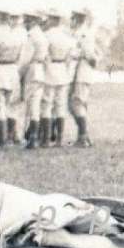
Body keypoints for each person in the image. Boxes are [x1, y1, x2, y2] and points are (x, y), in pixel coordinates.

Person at [42, 10, 77, 147]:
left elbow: (45, 57)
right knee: (60, 106)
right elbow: (70, 58)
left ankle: (45, 139)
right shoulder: (67, 37)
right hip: (62, 70)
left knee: (47, 105)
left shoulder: (47, 36)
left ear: (51, 20)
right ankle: (59, 139)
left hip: (50, 70)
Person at [0, 8, 23, 148]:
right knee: (12, 106)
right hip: (13, 69)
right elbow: (20, 55)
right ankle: (10, 135)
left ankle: (1, 140)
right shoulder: (16, 34)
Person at [69, 8, 100, 147]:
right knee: (77, 104)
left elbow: (90, 55)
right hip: (81, 71)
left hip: (82, 72)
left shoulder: (83, 34)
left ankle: (83, 136)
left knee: (77, 103)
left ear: (78, 19)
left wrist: (85, 58)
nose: (71, 21)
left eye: (73, 18)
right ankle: (84, 134)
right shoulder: (81, 33)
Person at [21, 11, 49, 148]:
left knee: (32, 105)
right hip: (41, 70)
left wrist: (20, 73)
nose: (25, 24)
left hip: (32, 69)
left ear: (32, 21)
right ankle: (33, 135)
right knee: (36, 104)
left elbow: (25, 59)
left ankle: (32, 136)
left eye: (27, 21)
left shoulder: (31, 36)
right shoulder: (42, 35)